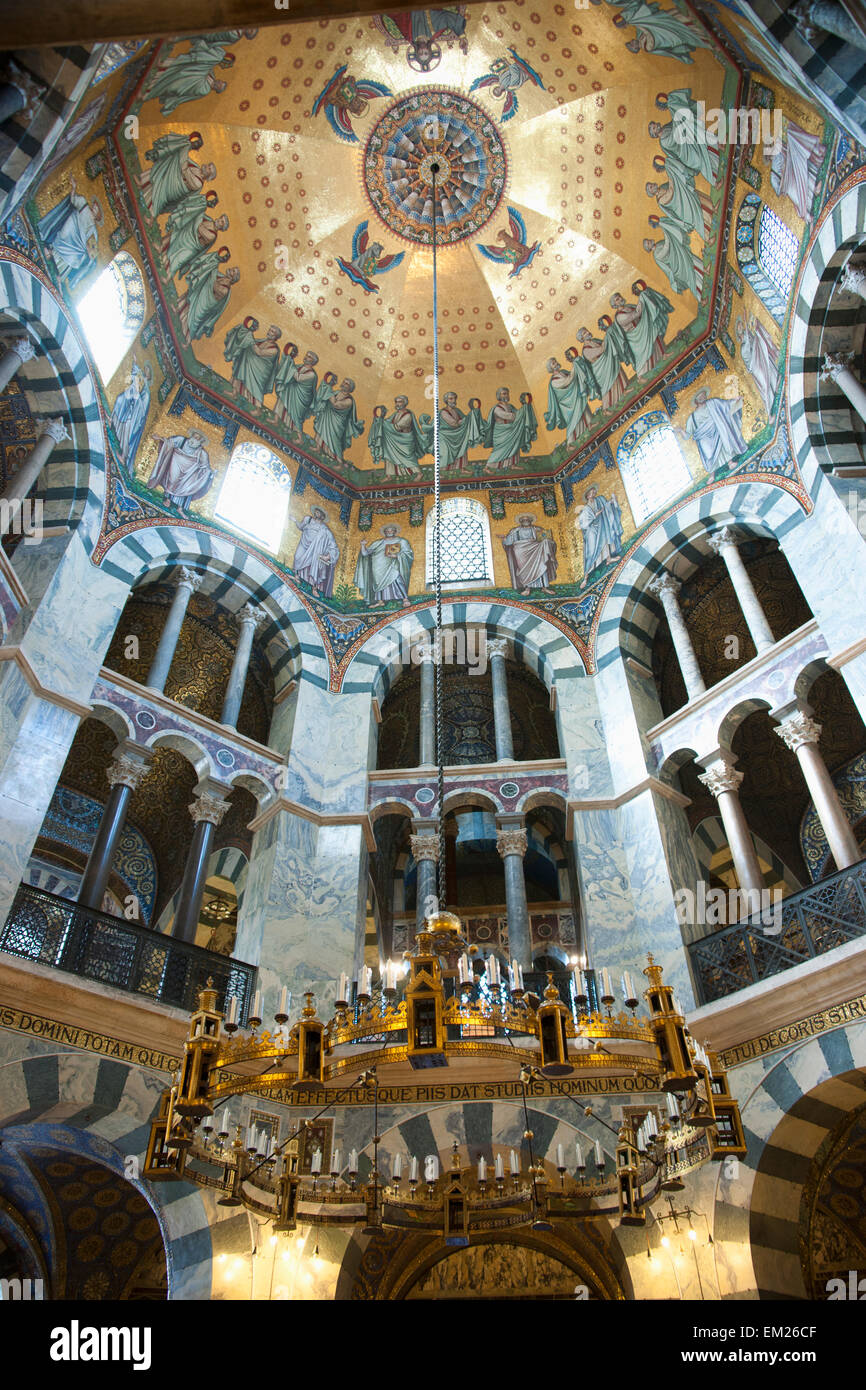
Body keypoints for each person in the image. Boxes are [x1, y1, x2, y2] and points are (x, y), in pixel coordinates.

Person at [36, 177, 103, 288]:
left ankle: (58, 269)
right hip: (72, 225)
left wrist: (89, 249)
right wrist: (74, 188)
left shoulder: (94, 229)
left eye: (98, 211)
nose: (95, 209)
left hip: (79, 242)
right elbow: (73, 200)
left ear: (98, 216)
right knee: (65, 231)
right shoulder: (84, 204)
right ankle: (51, 251)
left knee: (79, 254)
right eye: (95, 206)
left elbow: (92, 246)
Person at [681, 388, 748, 474]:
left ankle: (730, 462)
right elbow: (687, 435)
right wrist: (680, 431)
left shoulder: (713, 403)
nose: (703, 397)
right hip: (704, 438)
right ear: (696, 400)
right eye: (700, 396)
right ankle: (712, 474)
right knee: (708, 454)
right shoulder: (692, 417)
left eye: (704, 394)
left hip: (717, 430)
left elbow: (726, 405)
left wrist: (735, 400)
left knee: (723, 437)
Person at [147, 429, 215, 510]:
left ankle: (180, 508)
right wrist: (160, 438)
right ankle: (168, 499)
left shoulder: (202, 453)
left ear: (200, 441)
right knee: (172, 481)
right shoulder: (181, 440)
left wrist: (210, 473)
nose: (195, 439)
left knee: (187, 486)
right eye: (194, 436)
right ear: (191, 435)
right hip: (176, 464)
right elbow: (169, 442)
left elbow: (205, 466)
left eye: (198, 438)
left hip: (189, 472)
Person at [368, 396, 431, 479]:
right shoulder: (396, 414)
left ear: (405, 403)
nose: (398, 404)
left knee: (409, 457)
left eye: (400, 402)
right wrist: (380, 419)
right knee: (389, 454)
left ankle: (419, 473)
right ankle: (389, 475)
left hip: (405, 440)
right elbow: (387, 422)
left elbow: (397, 427)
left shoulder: (408, 415)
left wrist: (383, 423)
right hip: (394, 439)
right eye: (396, 402)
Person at [353, 524, 414, 607]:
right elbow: (365, 553)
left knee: (397, 579)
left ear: (395, 531)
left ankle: (405, 599)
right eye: (387, 531)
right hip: (378, 567)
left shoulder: (402, 541)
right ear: (384, 532)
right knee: (378, 583)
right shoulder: (378, 543)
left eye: (391, 530)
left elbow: (408, 554)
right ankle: (380, 601)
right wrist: (363, 545)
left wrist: (396, 556)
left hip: (393, 564)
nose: (389, 532)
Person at [576, 485, 623, 587]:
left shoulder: (599, 500)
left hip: (601, 525)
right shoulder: (585, 509)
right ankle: (585, 577)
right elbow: (583, 523)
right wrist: (595, 514)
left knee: (605, 540)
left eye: (594, 492)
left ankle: (608, 558)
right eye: (591, 493)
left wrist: (611, 501)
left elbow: (605, 506)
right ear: (587, 496)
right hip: (591, 532)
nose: (594, 494)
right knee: (591, 552)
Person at [110, 360, 152, 470]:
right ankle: (112, 421)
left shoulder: (146, 393)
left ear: (149, 377)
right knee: (120, 399)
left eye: (146, 373)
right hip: (131, 412)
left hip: (135, 420)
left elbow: (142, 410)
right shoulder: (142, 387)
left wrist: (137, 395)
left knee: (128, 430)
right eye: (144, 371)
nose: (144, 374)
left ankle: (124, 456)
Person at [545, 354, 597, 442]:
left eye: (555, 361)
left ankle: (590, 424)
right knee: (573, 420)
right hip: (566, 404)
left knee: (583, 408)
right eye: (553, 363)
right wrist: (574, 366)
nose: (556, 363)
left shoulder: (563, 372)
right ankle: (570, 442)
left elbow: (573, 377)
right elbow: (568, 381)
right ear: (551, 368)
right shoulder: (554, 381)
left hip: (574, 396)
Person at [501, 512, 557, 594]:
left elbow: (546, 538)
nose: (525, 521)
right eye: (523, 520)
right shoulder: (515, 531)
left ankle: (544, 587)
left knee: (541, 565)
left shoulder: (537, 529)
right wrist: (505, 539)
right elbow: (508, 542)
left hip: (536, 550)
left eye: (527, 519)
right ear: (520, 521)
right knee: (524, 570)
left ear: (531, 521)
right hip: (521, 552)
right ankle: (527, 588)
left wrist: (547, 541)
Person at [484, 387, 537, 471]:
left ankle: (513, 465)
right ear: (499, 395)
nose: (506, 395)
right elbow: (510, 416)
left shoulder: (510, 406)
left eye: (507, 393)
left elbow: (517, 414)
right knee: (499, 450)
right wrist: (521, 412)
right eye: (504, 393)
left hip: (512, 429)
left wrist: (525, 407)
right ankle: (487, 467)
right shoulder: (497, 408)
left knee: (514, 446)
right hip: (502, 431)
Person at [313, 375, 364, 462]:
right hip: (327, 417)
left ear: (350, 388)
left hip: (337, 424)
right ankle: (318, 448)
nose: (343, 384)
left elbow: (336, 404)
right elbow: (326, 397)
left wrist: (329, 390)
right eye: (344, 382)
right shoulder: (336, 392)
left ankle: (339, 461)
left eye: (346, 384)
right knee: (322, 431)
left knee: (334, 440)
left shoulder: (349, 400)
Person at [735, 314, 778, 415]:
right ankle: (770, 410)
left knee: (770, 371)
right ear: (739, 334)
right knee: (764, 384)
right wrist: (746, 322)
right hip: (755, 367)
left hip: (759, 361)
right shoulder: (743, 348)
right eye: (740, 327)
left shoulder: (748, 338)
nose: (742, 327)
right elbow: (749, 346)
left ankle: (776, 384)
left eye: (741, 325)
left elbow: (750, 337)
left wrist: (749, 323)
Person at [292, 506, 340, 597]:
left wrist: (328, 556)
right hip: (304, 544)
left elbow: (333, 545)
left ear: (322, 516)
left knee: (316, 567)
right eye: (316, 512)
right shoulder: (308, 520)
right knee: (297, 557)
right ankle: (296, 577)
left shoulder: (325, 529)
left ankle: (314, 588)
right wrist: (295, 520)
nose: (316, 513)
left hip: (315, 550)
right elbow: (301, 527)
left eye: (319, 512)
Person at [274, 346, 319, 434]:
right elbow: (290, 369)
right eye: (306, 355)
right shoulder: (299, 367)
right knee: (282, 401)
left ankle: (296, 434)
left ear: (313, 362)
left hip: (300, 399)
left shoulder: (312, 375)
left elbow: (298, 378)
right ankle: (276, 420)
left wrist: (291, 366)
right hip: (290, 391)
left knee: (295, 415)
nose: (306, 357)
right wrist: (290, 358)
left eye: (309, 356)